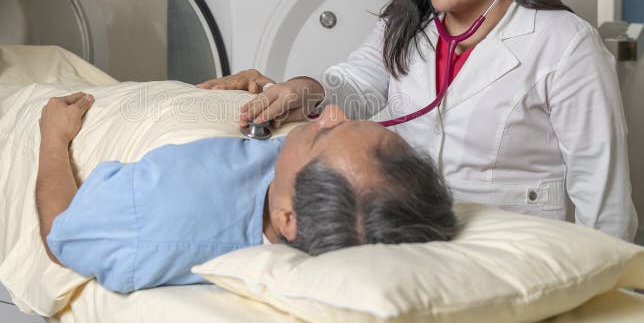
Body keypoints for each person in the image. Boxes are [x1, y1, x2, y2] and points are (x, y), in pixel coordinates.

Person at [199, 0, 638, 241]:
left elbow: (603, 191)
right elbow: (354, 88)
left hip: (520, 246)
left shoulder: (563, 42)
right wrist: (301, 90)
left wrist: (606, 289)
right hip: (413, 237)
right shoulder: (406, 24)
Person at [35, 92, 457, 293]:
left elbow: (62, 235)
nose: (330, 112)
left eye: (324, 134)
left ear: (288, 219)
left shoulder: (162, 220)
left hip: (82, 110)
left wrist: (53, 137)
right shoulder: (302, 187)